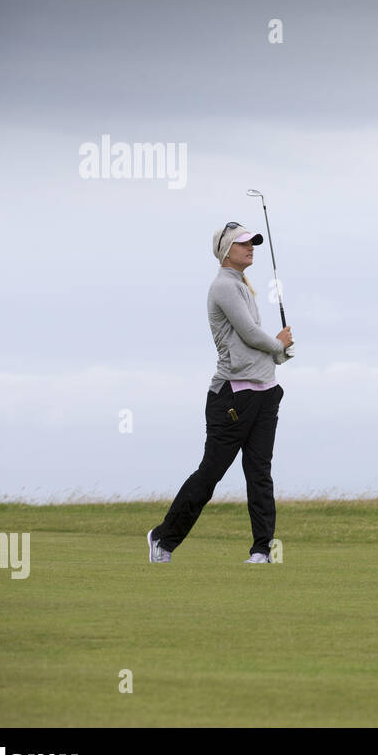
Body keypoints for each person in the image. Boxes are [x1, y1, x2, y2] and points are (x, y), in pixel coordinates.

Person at [147, 221, 294, 564]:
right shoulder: (223, 287)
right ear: (226, 251)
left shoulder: (242, 286)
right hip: (232, 396)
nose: (251, 247)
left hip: (264, 391)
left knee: (259, 473)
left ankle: (262, 550)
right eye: (243, 244)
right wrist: (278, 344)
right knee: (211, 474)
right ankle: (162, 538)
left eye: (253, 243)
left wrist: (277, 353)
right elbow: (248, 333)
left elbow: (255, 340)